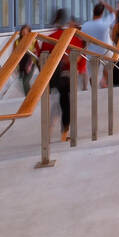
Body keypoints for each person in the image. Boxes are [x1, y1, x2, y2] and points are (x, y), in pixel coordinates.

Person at [37, 9, 86, 142]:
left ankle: (50, 128)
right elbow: (81, 57)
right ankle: (64, 133)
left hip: (53, 75)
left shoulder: (50, 37)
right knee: (65, 104)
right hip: (68, 76)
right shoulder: (73, 38)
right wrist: (79, 69)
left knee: (58, 103)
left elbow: (41, 56)